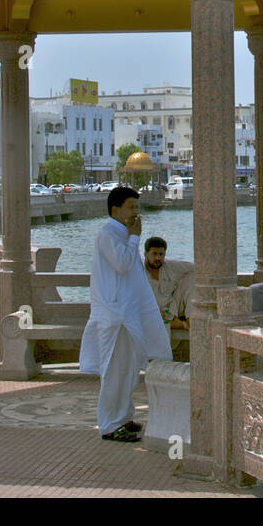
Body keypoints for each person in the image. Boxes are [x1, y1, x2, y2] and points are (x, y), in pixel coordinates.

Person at [78, 187, 171, 442]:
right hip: (114, 315)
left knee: (128, 369)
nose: (135, 212)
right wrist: (134, 238)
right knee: (114, 371)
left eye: (136, 207)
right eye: (131, 207)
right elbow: (123, 264)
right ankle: (108, 425)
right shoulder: (109, 234)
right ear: (115, 210)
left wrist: (131, 237)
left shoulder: (122, 234)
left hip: (127, 314)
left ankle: (123, 416)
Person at [143, 236, 194, 328]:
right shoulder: (138, 272)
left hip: (172, 308)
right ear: (146, 254)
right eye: (154, 254)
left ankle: (192, 320)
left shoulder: (170, 266)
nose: (158, 258)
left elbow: (198, 267)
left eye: (161, 254)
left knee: (193, 276)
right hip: (151, 312)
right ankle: (179, 324)